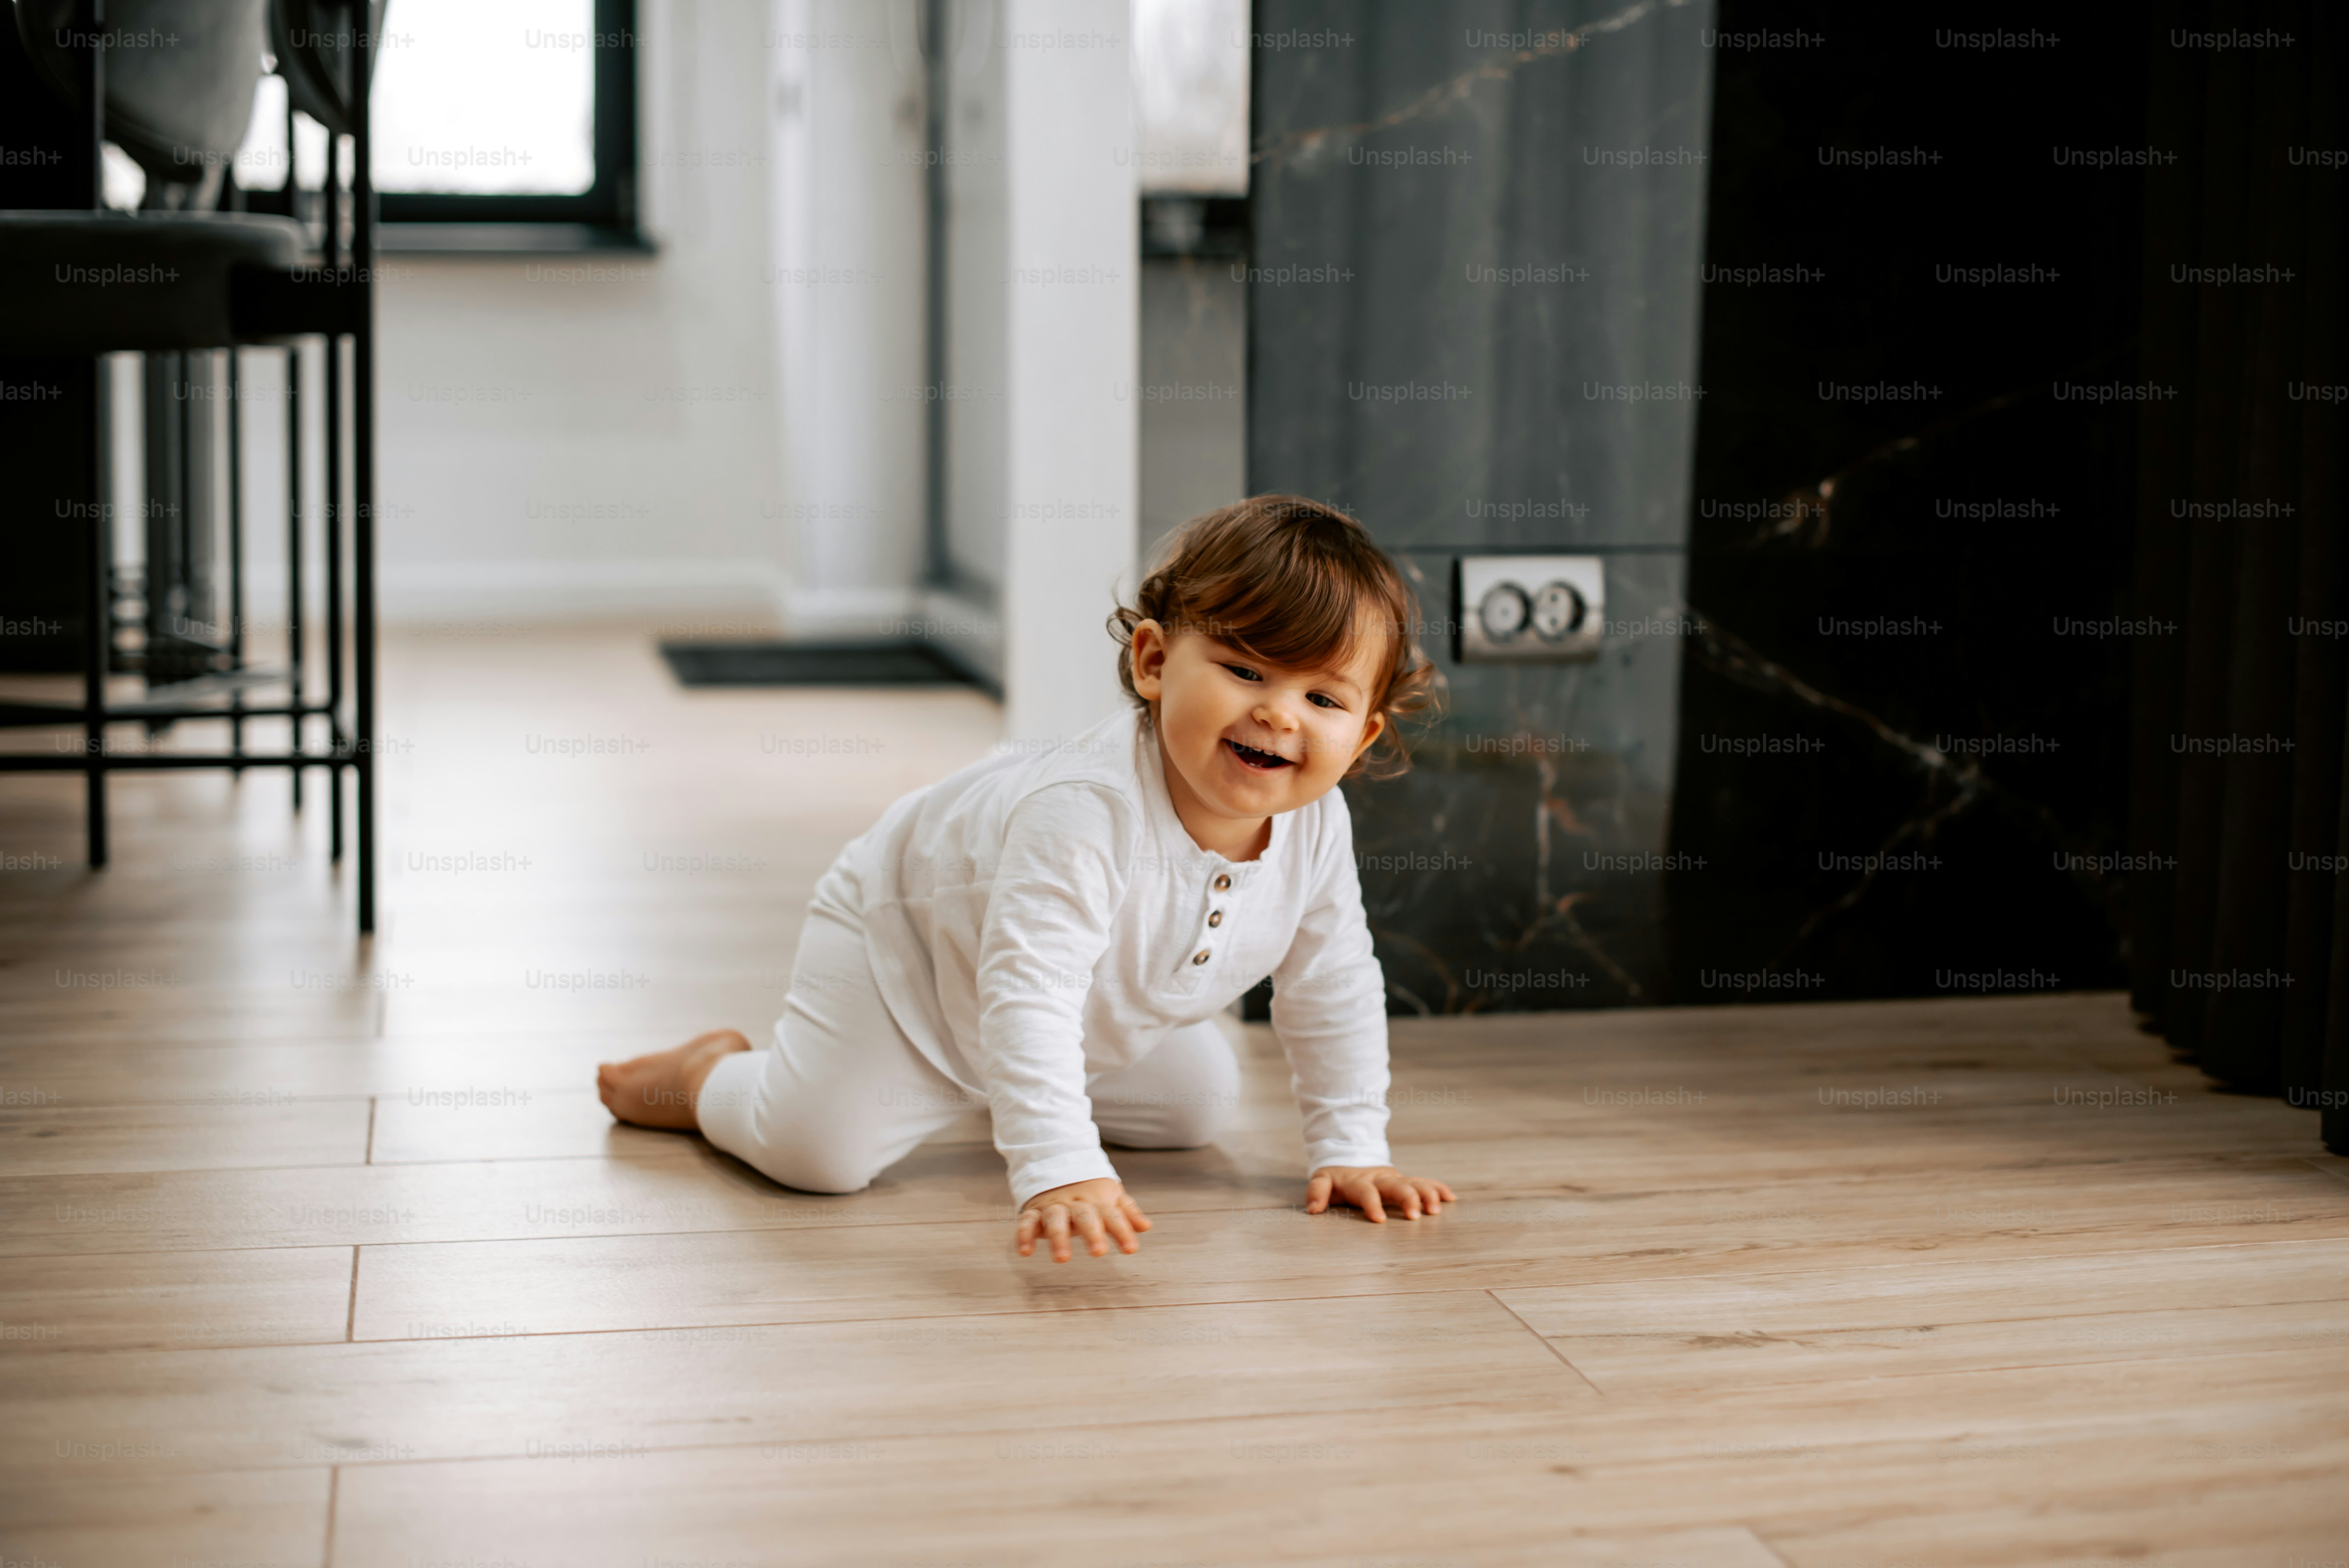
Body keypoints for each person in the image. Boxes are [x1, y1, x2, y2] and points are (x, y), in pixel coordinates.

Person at [598, 495, 1455, 1262]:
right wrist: (1059, 1164)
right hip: (909, 961)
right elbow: (1029, 986)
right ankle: (704, 1078)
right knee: (815, 1154)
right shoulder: (1086, 811)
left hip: (1069, 1007)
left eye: (1323, 700)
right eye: (1245, 671)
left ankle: (1014, 1086)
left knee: (1194, 1105)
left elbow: (1333, 982)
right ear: (1155, 663)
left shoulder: (1316, 823)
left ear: (1363, 737)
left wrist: (1353, 1147)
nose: (1277, 713)